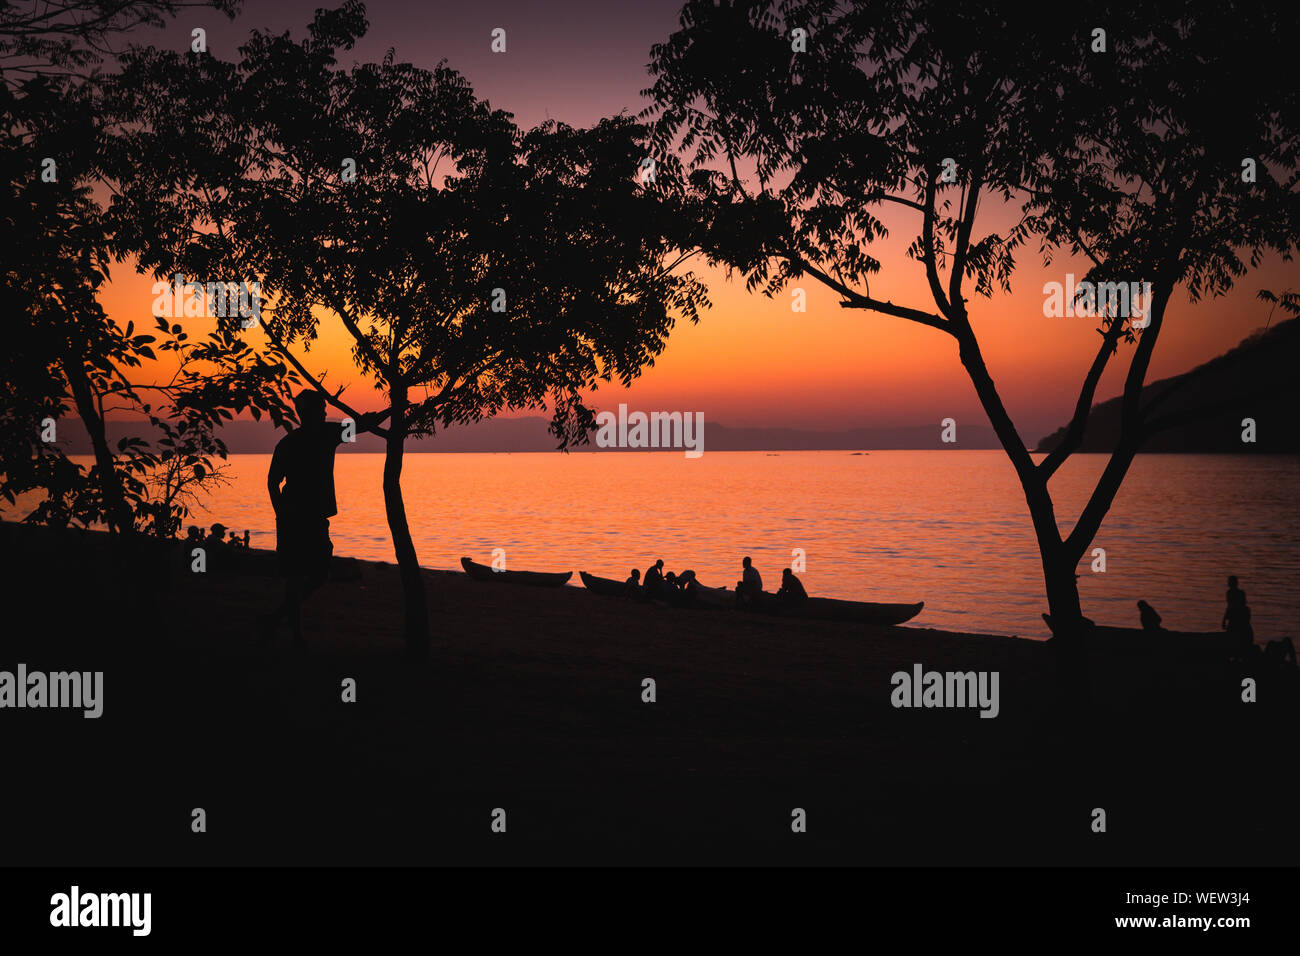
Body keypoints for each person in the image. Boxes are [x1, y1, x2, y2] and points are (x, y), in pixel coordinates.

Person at [260, 391, 368, 646]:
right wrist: (281, 513)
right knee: (296, 576)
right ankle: (293, 633)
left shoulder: (326, 435)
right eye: (320, 409)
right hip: (294, 517)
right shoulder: (294, 442)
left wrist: (390, 411)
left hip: (315, 516)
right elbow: (272, 482)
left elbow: (361, 426)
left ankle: (276, 619)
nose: (324, 412)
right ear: (307, 412)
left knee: (317, 573)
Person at [1222, 575, 1254, 656]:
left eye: (1229, 582)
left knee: (1235, 637)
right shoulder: (1230, 593)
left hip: (1237, 619)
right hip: (1235, 618)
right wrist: (1224, 619)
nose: (1228, 584)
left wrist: (1225, 619)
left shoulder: (1236, 594)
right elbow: (1229, 607)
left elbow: (1231, 607)